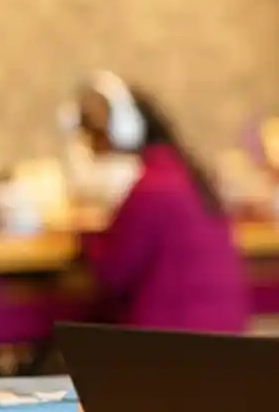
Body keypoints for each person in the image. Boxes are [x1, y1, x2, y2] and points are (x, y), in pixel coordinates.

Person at [69, 70, 250, 334]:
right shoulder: (189, 176)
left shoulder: (152, 189)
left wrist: (85, 237)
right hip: (223, 334)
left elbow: (112, 272)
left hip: (170, 342)